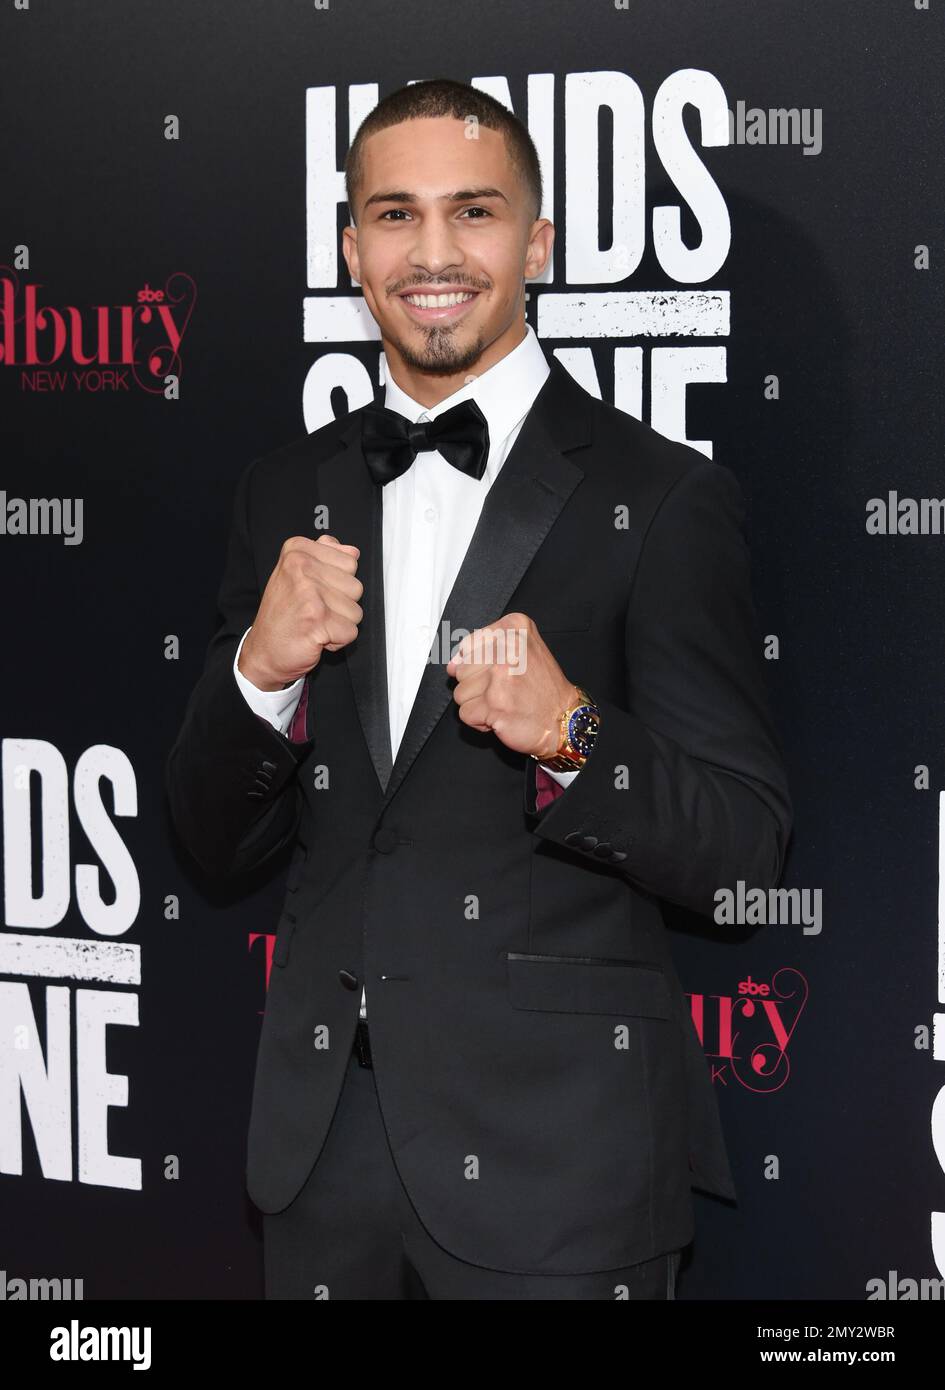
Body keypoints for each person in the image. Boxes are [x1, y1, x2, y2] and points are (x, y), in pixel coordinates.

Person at [165, 77, 793, 1300]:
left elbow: (745, 851)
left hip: (561, 1168)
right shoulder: (279, 493)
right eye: (395, 216)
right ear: (352, 249)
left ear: (538, 243)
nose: (435, 253)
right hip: (320, 1163)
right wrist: (259, 674)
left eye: (476, 212)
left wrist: (572, 730)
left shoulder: (661, 497)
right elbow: (210, 841)